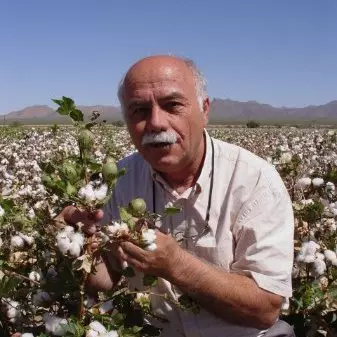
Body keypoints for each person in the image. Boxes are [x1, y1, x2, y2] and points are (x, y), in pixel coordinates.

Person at [60, 55, 295, 337]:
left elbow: (265, 309)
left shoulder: (254, 181)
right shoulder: (118, 181)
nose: (156, 123)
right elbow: (107, 279)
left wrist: (176, 265)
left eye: (172, 105)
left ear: (204, 109)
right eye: (139, 110)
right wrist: (74, 242)